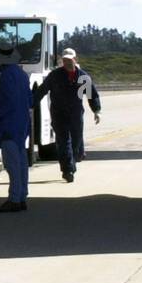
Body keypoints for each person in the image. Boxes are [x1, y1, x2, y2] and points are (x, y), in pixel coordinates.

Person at [32, 47, 101, 183]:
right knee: (63, 142)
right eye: (65, 60)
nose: (67, 62)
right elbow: (42, 91)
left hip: (76, 114)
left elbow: (91, 95)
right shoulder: (55, 76)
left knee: (76, 141)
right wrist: (30, 104)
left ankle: (75, 160)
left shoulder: (83, 77)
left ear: (75, 60)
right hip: (59, 114)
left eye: (70, 60)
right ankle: (67, 170)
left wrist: (97, 111)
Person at [0, 46, 32, 213]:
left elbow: (6, 102)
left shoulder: (7, 75)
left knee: (12, 165)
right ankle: (22, 197)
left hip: (9, 124)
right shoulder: (22, 74)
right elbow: (29, 100)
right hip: (21, 124)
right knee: (21, 164)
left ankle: (14, 199)